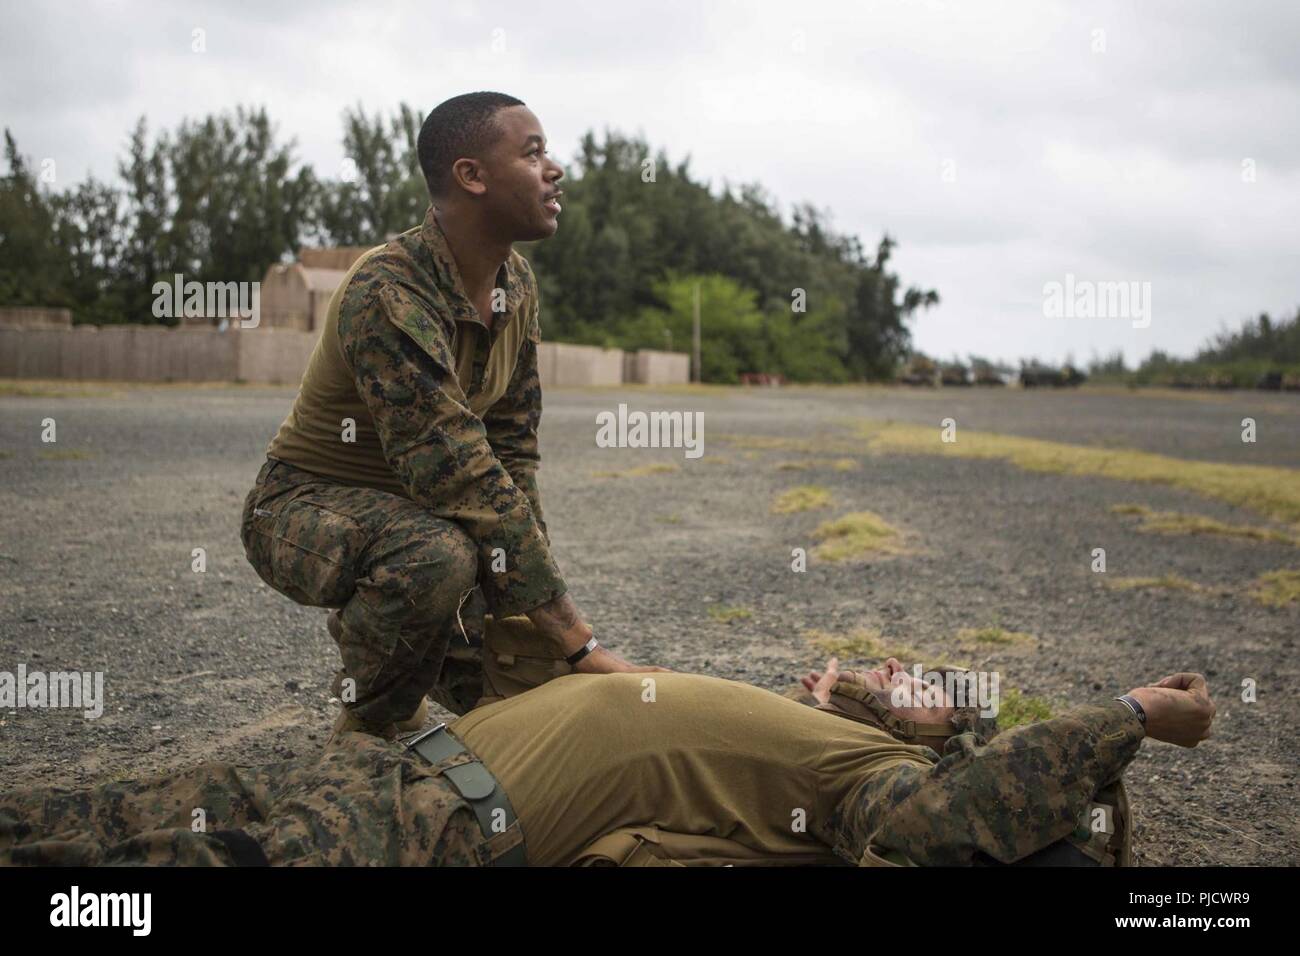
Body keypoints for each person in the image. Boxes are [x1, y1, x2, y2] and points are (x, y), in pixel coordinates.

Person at [0, 618, 1216, 867]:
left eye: (923, 683)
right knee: (111, 807)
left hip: (450, 815)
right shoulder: (846, 735)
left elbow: (979, 793)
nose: (899, 672)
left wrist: (1133, 719)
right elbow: (997, 717)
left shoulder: (884, 793)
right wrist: (878, 682)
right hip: (417, 755)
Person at [238, 92, 659, 741]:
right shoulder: (389, 290)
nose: (556, 170)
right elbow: (454, 468)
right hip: (300, 509)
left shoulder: (514, 286)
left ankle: (414, 646)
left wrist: (524, 607)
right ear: (472, 175)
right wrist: (578, 640)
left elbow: (511, 452)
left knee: (530, 705)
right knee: (438, 558)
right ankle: (370, 730)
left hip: (425, 514)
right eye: (534, 152)